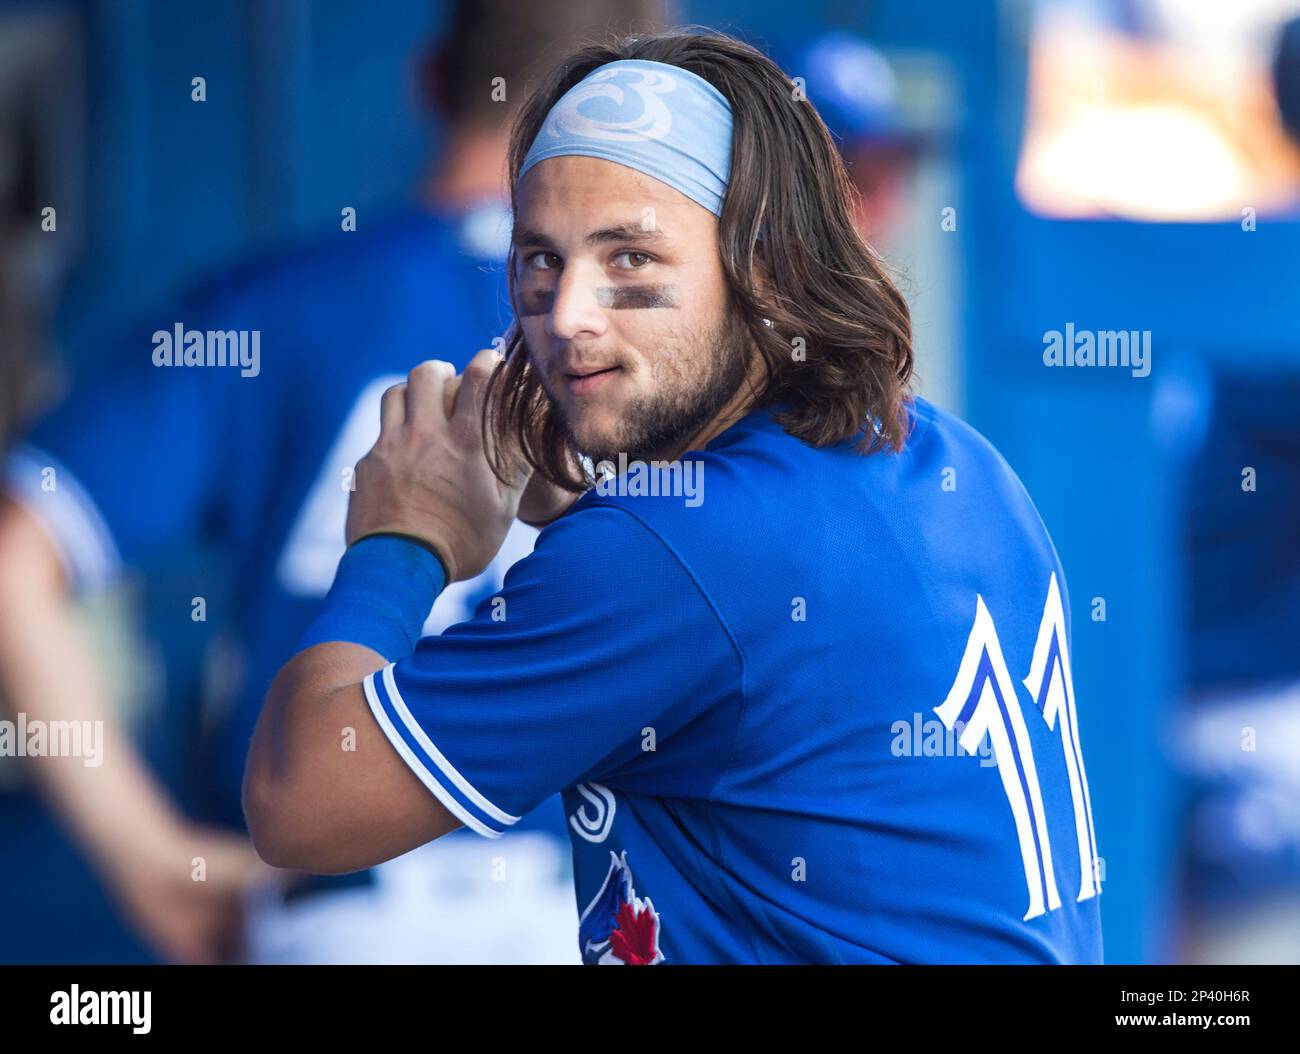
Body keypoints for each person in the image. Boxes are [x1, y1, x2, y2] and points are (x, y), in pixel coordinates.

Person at [244, 28, 1104, 964]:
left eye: (630, 260)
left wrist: (403, 540)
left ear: (763, 265)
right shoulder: (951, 458)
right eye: (541, 259)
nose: (569, 313)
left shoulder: (670, 555)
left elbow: (303, 803)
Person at [0, 0, 662, 964]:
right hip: (593, 916)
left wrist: (148, 859)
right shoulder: (659, 342)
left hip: (335, 919)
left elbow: (16, 554)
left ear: (429, 83)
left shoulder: (274, 305)